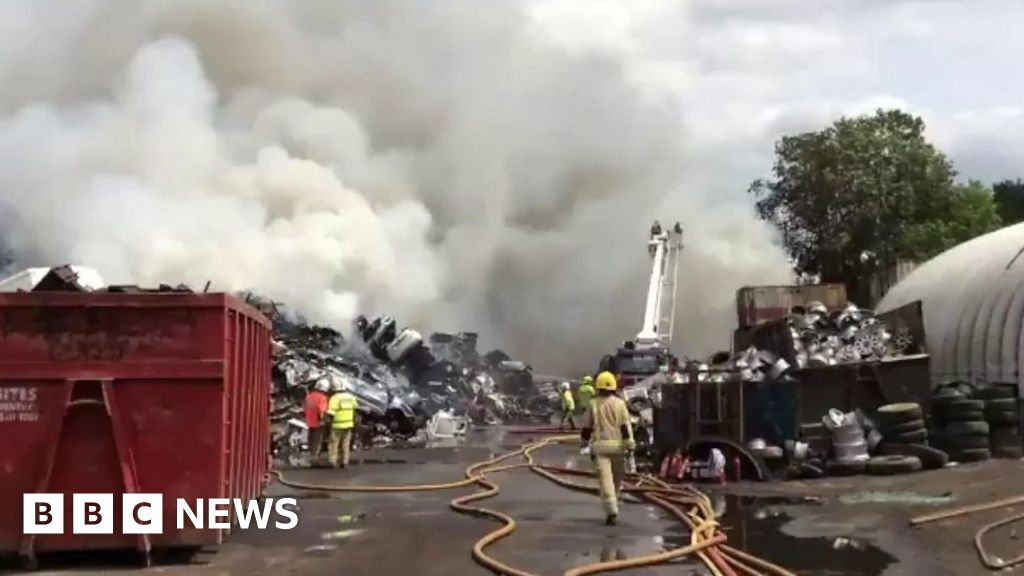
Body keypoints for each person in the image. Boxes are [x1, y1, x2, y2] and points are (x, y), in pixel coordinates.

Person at [580, 371, 635, 526]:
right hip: (618, 447)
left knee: (606, 481)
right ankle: (614, 502)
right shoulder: (620, 403)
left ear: (598, 387)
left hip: (600, 448)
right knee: (617, 479)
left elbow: (587, 427)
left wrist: (584, 443)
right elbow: (625, 426)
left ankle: (611, 511)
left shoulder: (593, 404)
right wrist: (630, 444)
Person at [326, 379, 359, 469]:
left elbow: (331, 413)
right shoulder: (351, 397)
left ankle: (333, 461)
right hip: (348, 425)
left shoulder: (334, 398)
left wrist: (328, 422)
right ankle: (344, 462)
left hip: (337, 425)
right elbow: (356, 410)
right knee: (345, 444)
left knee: (334, 444)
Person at [304, 378, 332, 466]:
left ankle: (312, 456)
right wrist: (324, 420)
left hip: (310, 422)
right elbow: (322, 411)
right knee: (318, 441)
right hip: (318, 423)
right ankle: (315, 460)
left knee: (311, 440)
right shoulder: (322, 398)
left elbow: (305, 408)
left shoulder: (309, 396)